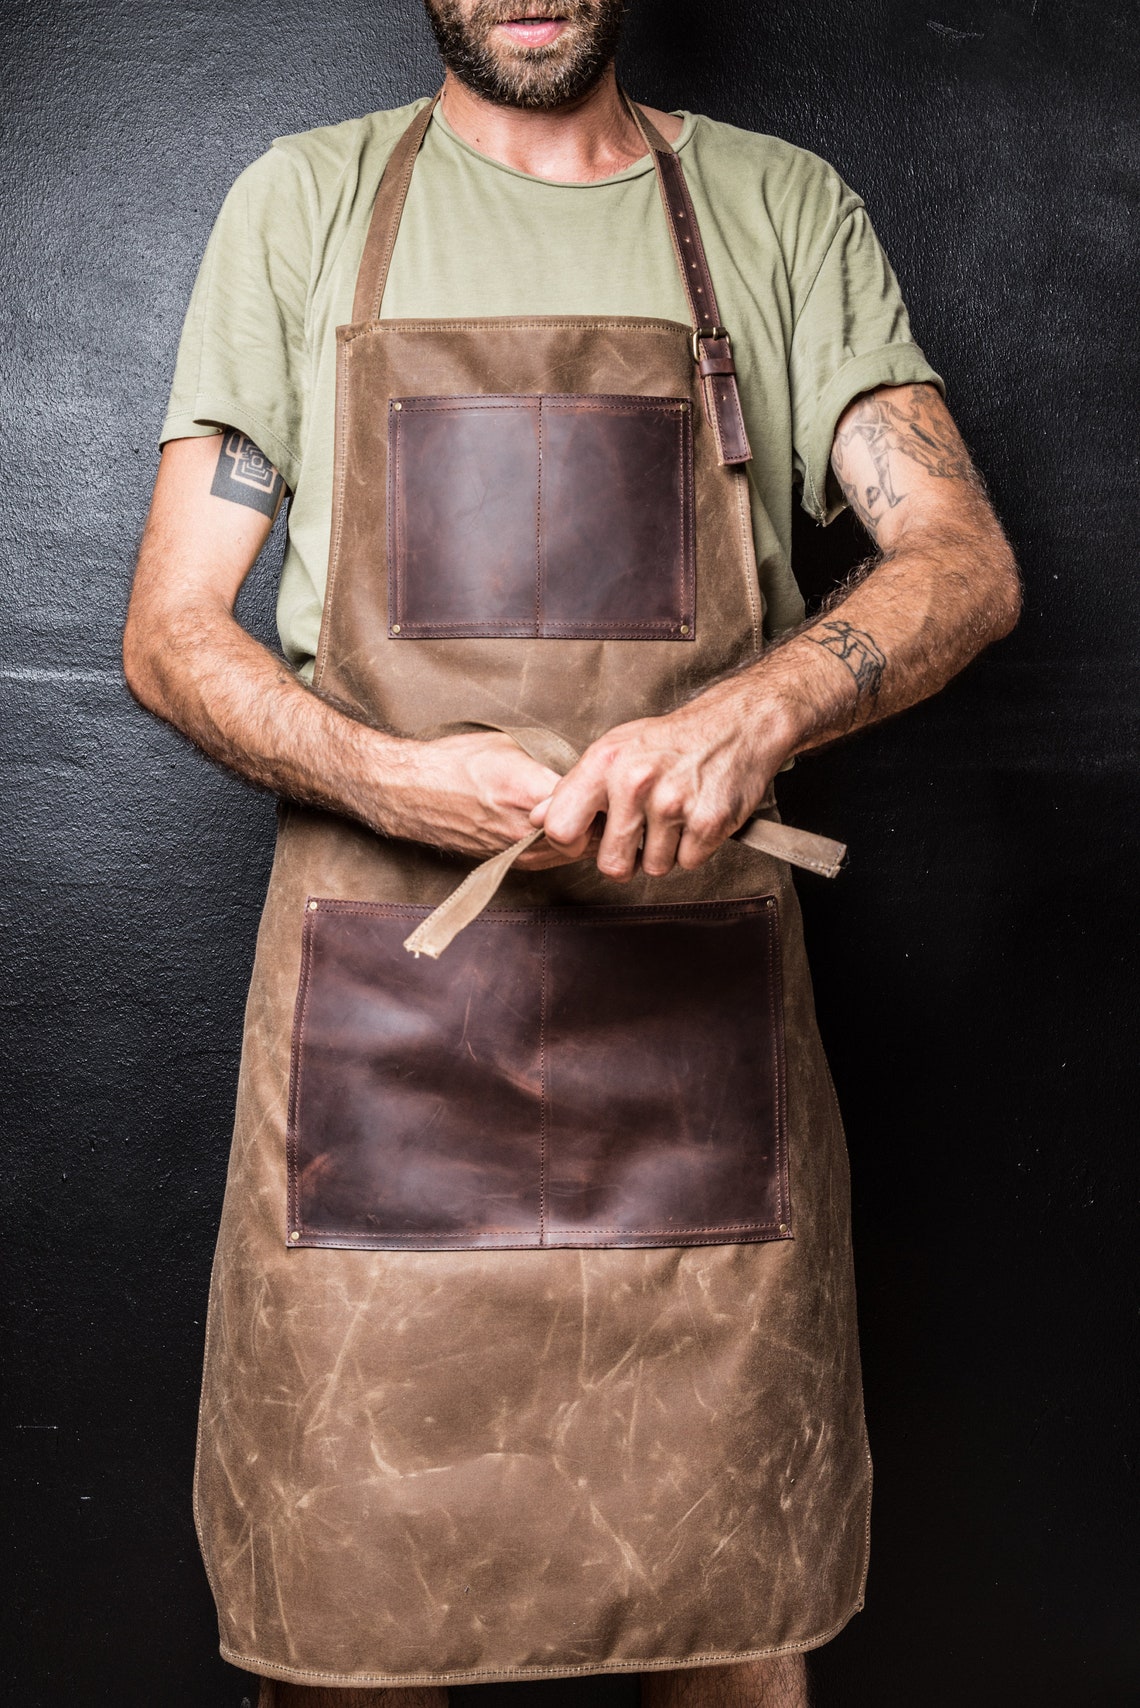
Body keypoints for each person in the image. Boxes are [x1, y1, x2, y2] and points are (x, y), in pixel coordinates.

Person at [123, 3, 1021, 1705]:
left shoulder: (775, 205)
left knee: (729, 1611)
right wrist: (386, 776)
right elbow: (171, 632)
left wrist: (751, 719)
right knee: (350, 1624)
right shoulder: (303, 202)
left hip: (695, 1050)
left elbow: (960, 555)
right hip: (376, 1042)